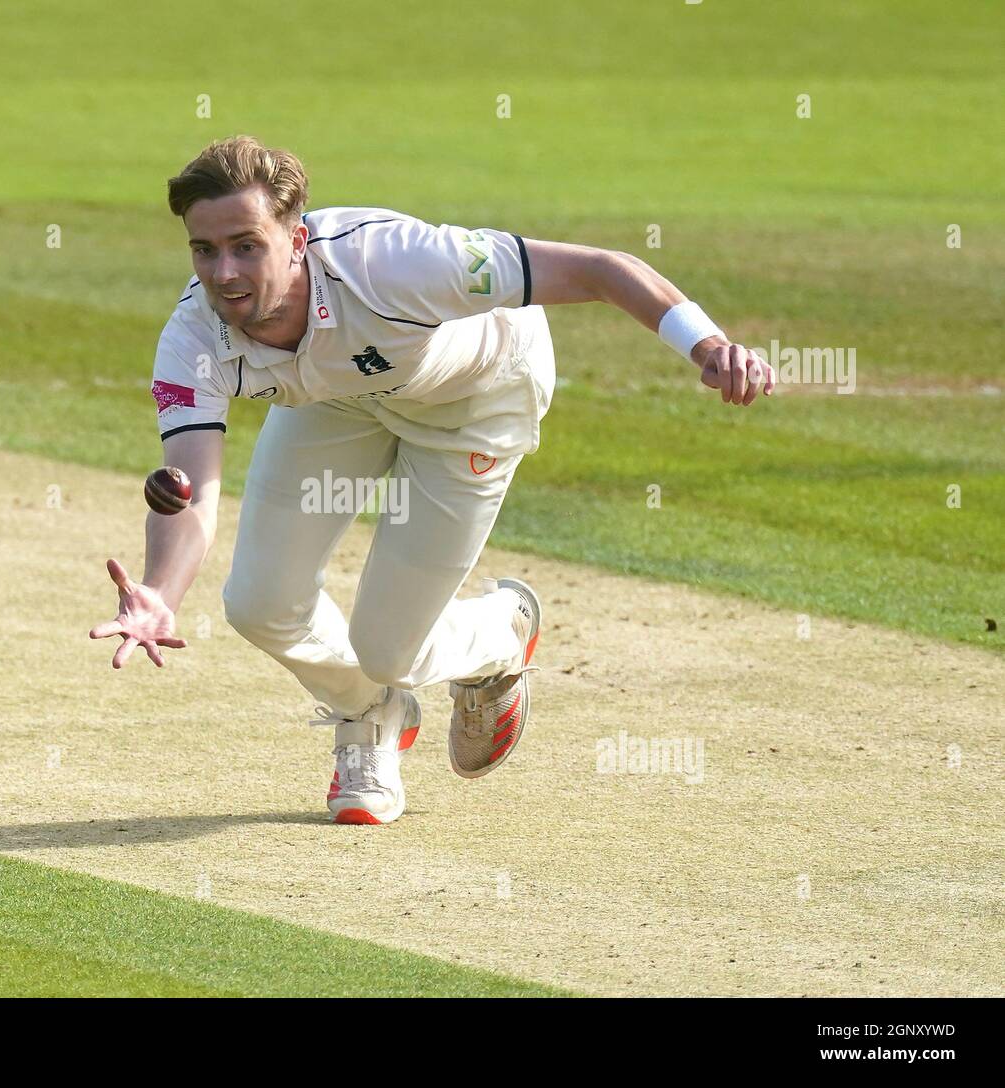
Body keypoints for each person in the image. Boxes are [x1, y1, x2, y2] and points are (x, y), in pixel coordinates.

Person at [89, 136, 774, 825]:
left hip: (473, 404)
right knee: (258, 603)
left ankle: (501, 633)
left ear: (297, 239)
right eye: (204, 250)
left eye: (246, 245)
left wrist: (708, 345)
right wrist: (158, 593)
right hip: (340, 398)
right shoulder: (192, 338)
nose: (225, 273)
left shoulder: (392, 262)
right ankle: (370, 714)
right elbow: (193, 492)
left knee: (390, 648)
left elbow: (601, 269)